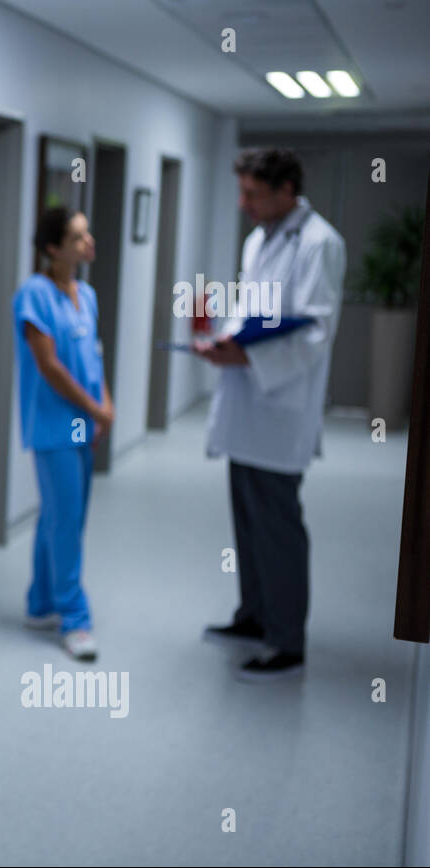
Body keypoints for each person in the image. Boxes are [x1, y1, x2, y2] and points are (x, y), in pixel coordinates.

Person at [194, 147, 345, 682]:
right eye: (242, 193)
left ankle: (286, 641)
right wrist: (222, 341)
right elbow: (251, 312)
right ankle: (253, 615)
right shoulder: (260, 238)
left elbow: (314, 331)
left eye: (252, 194)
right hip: (247, 404)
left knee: (277, 527)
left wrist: (248, 355)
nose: (243, 205)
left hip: (280, 409)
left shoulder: (320, 243)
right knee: (248, 521)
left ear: (286, 191)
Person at [11, 207, 114, 662]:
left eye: (86, 232)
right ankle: (75, 619)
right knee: (65, 521)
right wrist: (94, 408)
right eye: (76, 236)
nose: (88, 241)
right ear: (52, 248)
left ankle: (41, 602)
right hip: (53, 425)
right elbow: (49, 366)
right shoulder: (34, 294)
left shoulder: (86, 295)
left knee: (59, 515)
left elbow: (92, 357)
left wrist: (104, 407)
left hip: (82, 424)